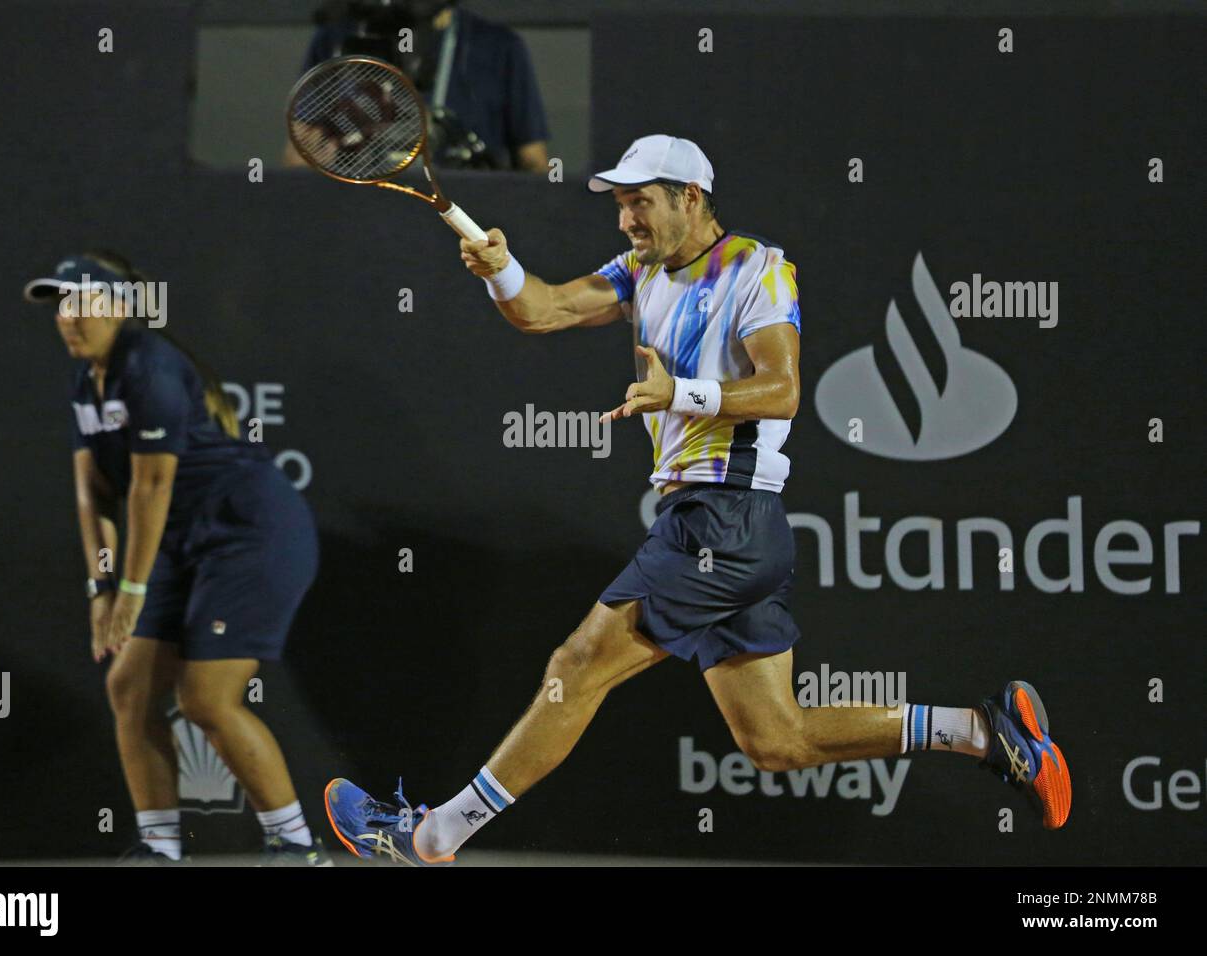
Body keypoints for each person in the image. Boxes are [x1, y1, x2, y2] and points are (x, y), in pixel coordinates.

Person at [323, 134, 1072, 865]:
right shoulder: (637, 269)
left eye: (640, 203)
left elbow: (782, 392)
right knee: (776, 740)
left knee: (578, 662)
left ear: (690, 197)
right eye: (619, 205)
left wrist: (678, 393)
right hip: (734, 528)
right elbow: (544, 309)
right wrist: (500, 269)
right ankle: (983, 732)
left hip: (725, 516)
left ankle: (428, 841)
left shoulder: (757, 270)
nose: (626, 221)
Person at [24, 251, 331, 866]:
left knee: (206, 699)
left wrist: (132, 592)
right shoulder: (85, 381)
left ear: (118, 309)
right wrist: (101, 588)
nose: (67, 318)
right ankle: (161, 850)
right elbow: (94, 496)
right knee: (129, 687)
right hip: (182, 541)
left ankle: (297, 846)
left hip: (252, 535)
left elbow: (152, 489)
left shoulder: (152, 369)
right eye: (60, 305)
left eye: (81, 302)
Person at [284, 0, 550, 172]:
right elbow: (298, 154)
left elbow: (533, 159)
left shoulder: (499, 46)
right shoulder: (336, 37)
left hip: (464, 216)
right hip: (358, 210)